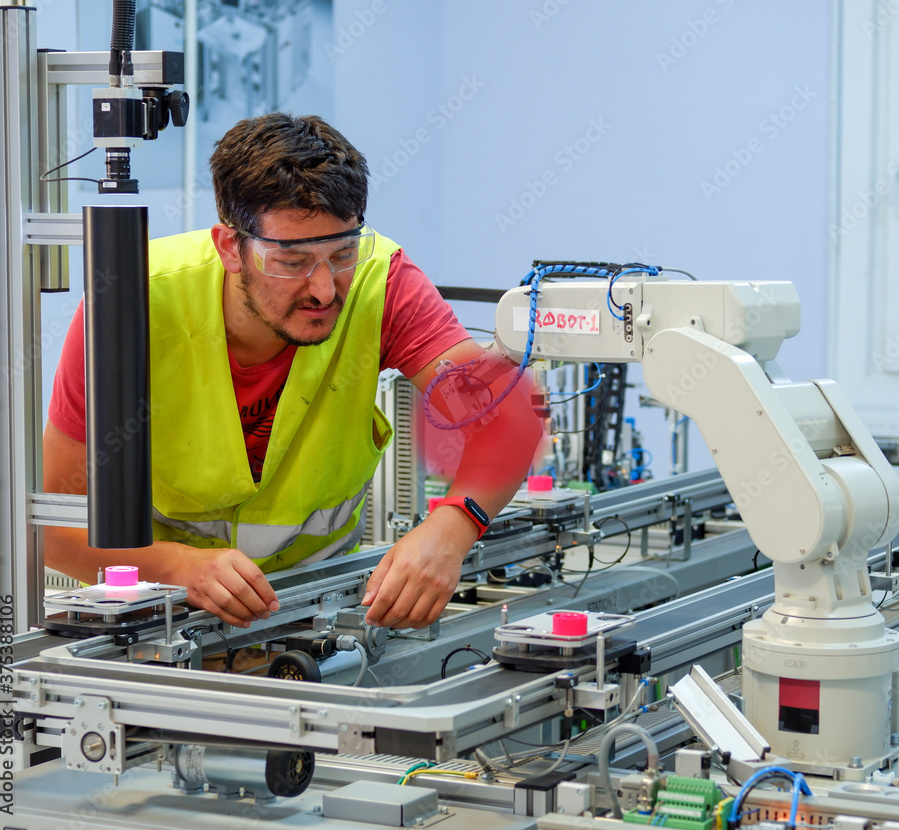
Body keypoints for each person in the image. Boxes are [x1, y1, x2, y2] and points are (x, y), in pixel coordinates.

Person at [44, 112, 543, 631]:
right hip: (160, 617)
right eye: (292, 262)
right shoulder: (134, 299)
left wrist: (452, 528)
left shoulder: (382, 283)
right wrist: (176, 567)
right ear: (230, 247)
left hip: (321, 612)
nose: (324, 290)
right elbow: (52, 528)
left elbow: (507, 421)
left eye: (342, 253)